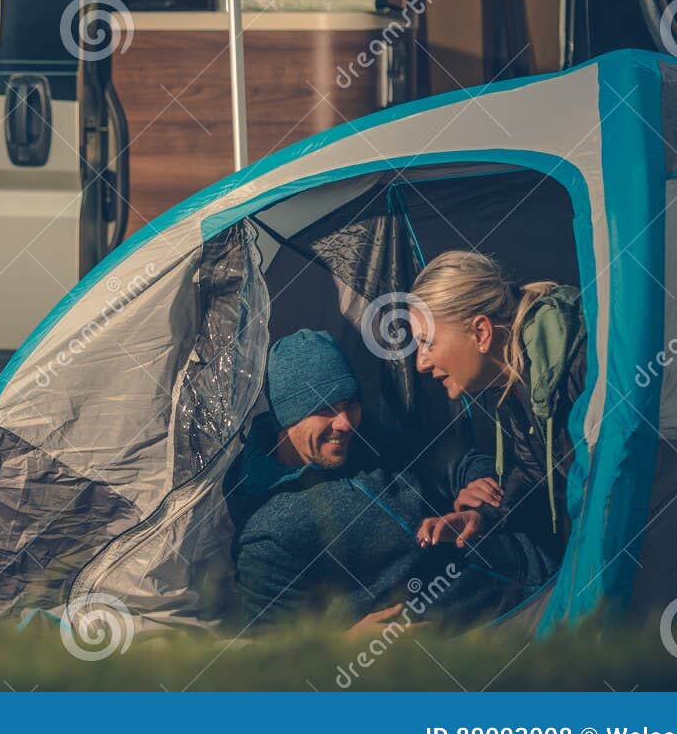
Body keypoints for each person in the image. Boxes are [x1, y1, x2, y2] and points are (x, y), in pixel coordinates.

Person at [226, 329, 553, 628]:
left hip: (541, 570)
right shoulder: (268, 530)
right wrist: (342, 649)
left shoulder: (372, 437)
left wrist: (476, 484)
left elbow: (458, 459)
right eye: (325, 408)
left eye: (350, 403)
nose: (345, 423)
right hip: (480, 637)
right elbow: (269, 655)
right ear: (287, 417)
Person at [409, 250, 585, 558]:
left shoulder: (576, 365)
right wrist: (485, 516)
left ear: (480, 333)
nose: (420, 363)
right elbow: (540, 473)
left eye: (428, 342)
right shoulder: (515, 378)